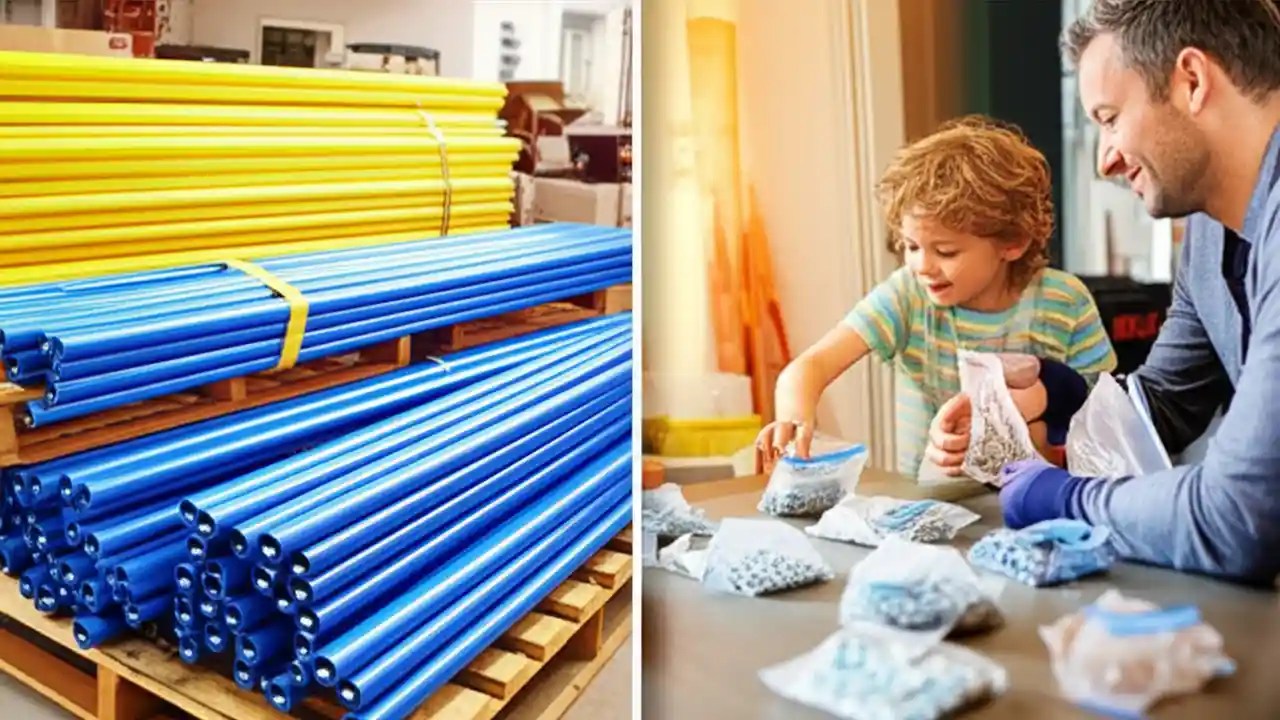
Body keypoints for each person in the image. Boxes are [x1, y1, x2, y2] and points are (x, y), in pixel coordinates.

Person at [967, 0, 1280, 585]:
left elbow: (1239, 520)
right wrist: (1063, 403)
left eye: (1109, 117)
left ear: (1191, 80)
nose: (1106, 159)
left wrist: (1067, 499)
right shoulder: (1212, 232)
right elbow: (1165, 403)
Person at [756, 116, 1118, 478]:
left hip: (1040, 498)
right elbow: (809, 367)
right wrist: (792, 419)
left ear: (1013, 242)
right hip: (926, 504)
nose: (922, 266)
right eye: (911, 246)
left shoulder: (1064, 301)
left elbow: (1108, 404)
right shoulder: (908, 296)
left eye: (945, 252)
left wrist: (1041, 411)